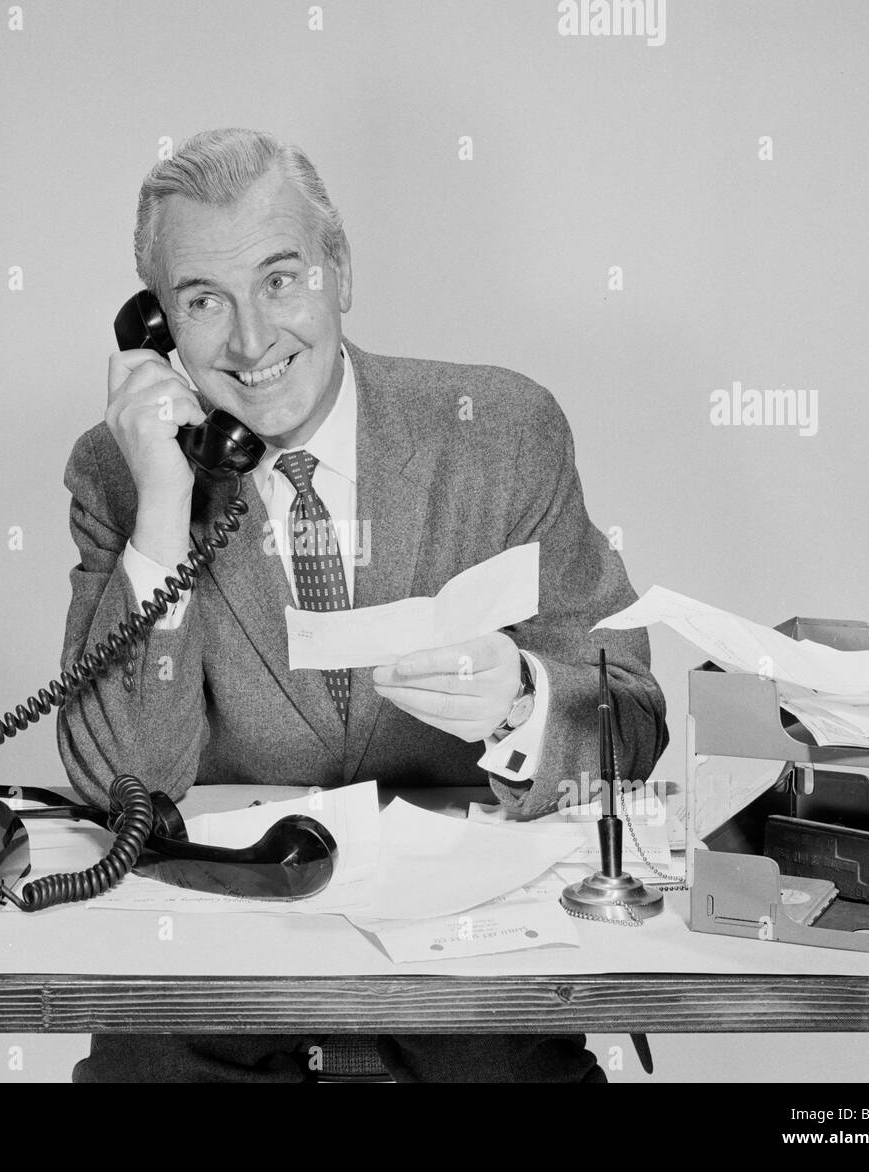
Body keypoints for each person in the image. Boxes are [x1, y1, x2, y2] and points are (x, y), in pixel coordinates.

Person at [58, 128, 667, 1082]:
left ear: (340, 271)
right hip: (210, 1025)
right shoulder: (119, 472)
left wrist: (523, 701)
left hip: (476, 1024)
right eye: (203, 301)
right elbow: (119, 784)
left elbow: (632, 717)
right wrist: (166, 506)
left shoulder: (502, 433)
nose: (253, 341)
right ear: (157, 327)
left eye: (281, 279)